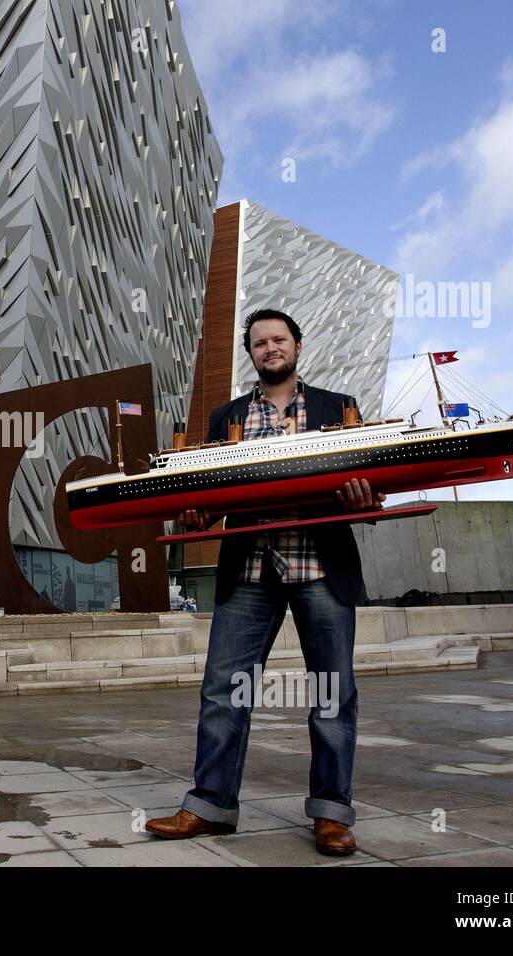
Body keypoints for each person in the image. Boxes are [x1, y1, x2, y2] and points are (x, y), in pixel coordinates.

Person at [144, 309, 383, 856]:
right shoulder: (226, 416)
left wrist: (365, 499)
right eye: (259, 343)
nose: (270, 348)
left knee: (333, 692)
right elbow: (208, 495)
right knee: (222, 690)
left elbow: (368, 488)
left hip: (320, 568)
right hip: (250, 570)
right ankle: (211, 806)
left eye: (279, 339)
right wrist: (196, 515)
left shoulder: (339, 407)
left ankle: (331, 814)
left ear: (297, 345)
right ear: (250, 354)